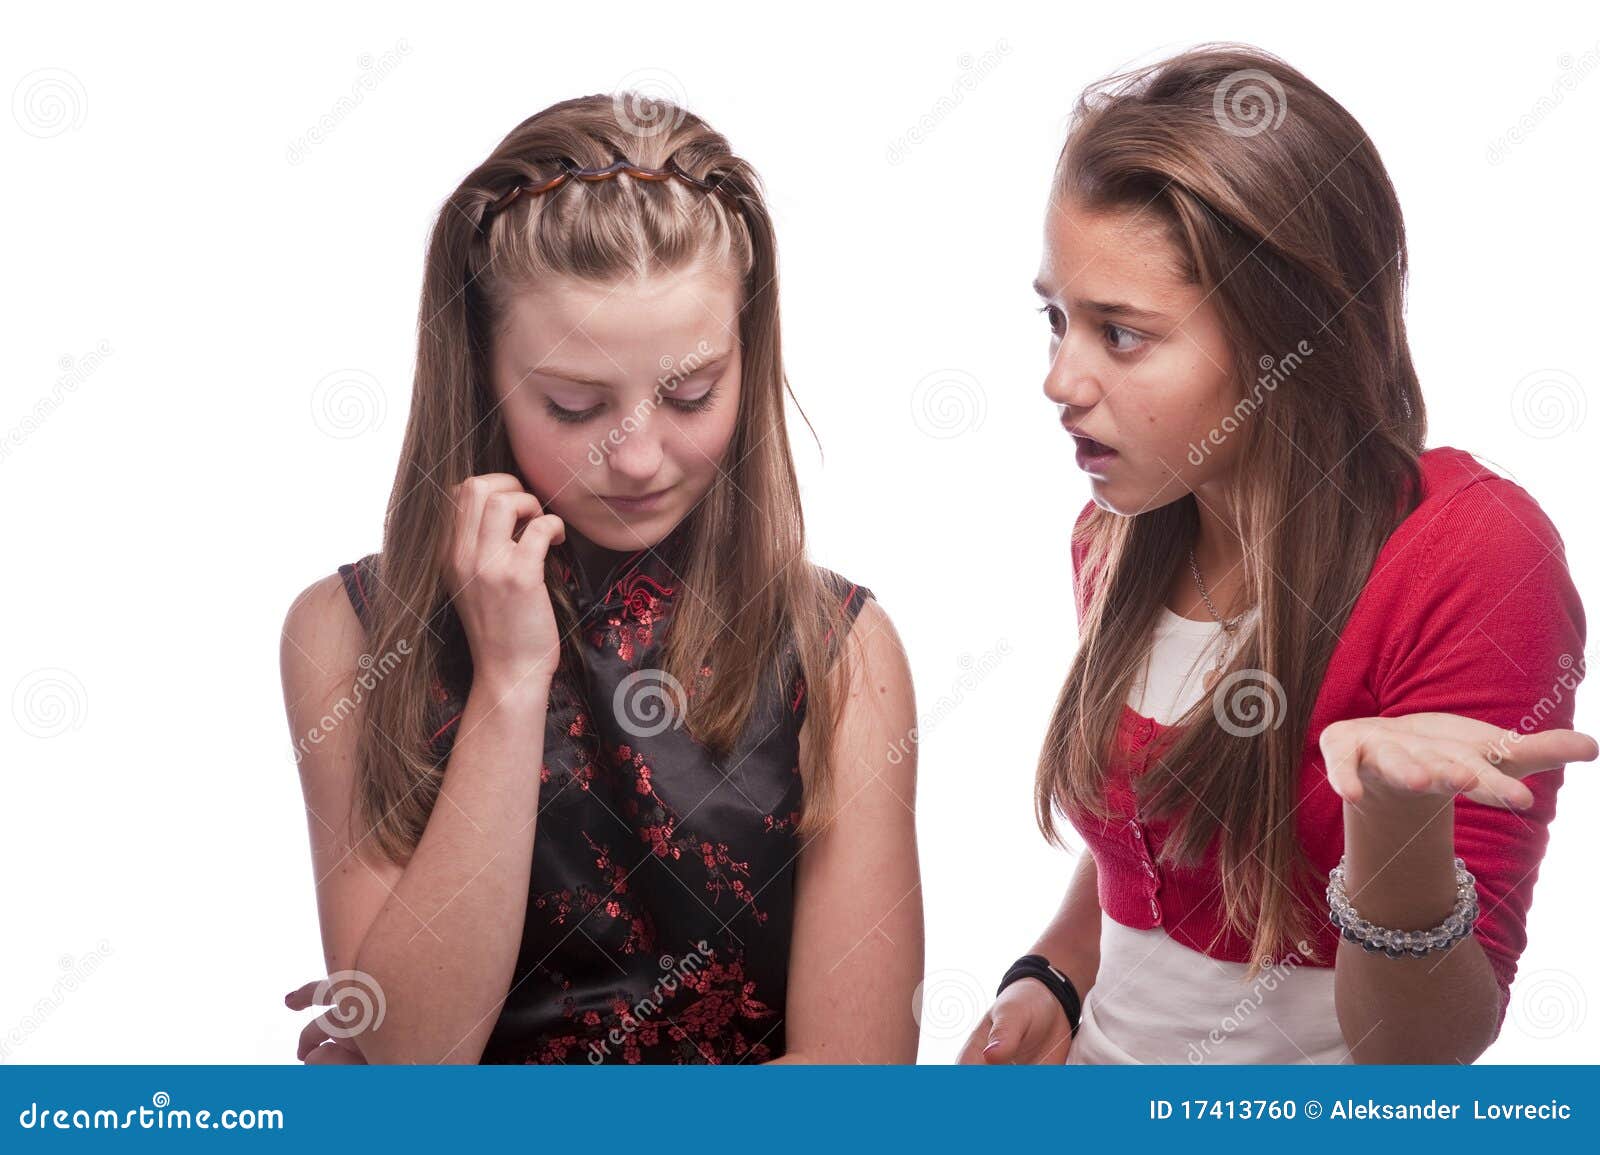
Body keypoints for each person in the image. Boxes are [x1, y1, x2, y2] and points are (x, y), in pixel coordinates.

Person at [960, 44, 1594, 1066]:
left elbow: (1421, 1055)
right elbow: (1150, 821)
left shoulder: (1474, 556)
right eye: (1056, 319)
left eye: (1120, 334)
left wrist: (1396, 826)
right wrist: (1050, 974)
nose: (1059, 379)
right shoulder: (1115, 533)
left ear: (1286, 338)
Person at [279, 95, 922, 1064]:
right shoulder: (347, 635)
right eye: (575, 406)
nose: (637, 457)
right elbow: (418, 1056)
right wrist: (507, 680)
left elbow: (852, 1093)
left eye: (691, 394)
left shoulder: (837, 651)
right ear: (481, 374)